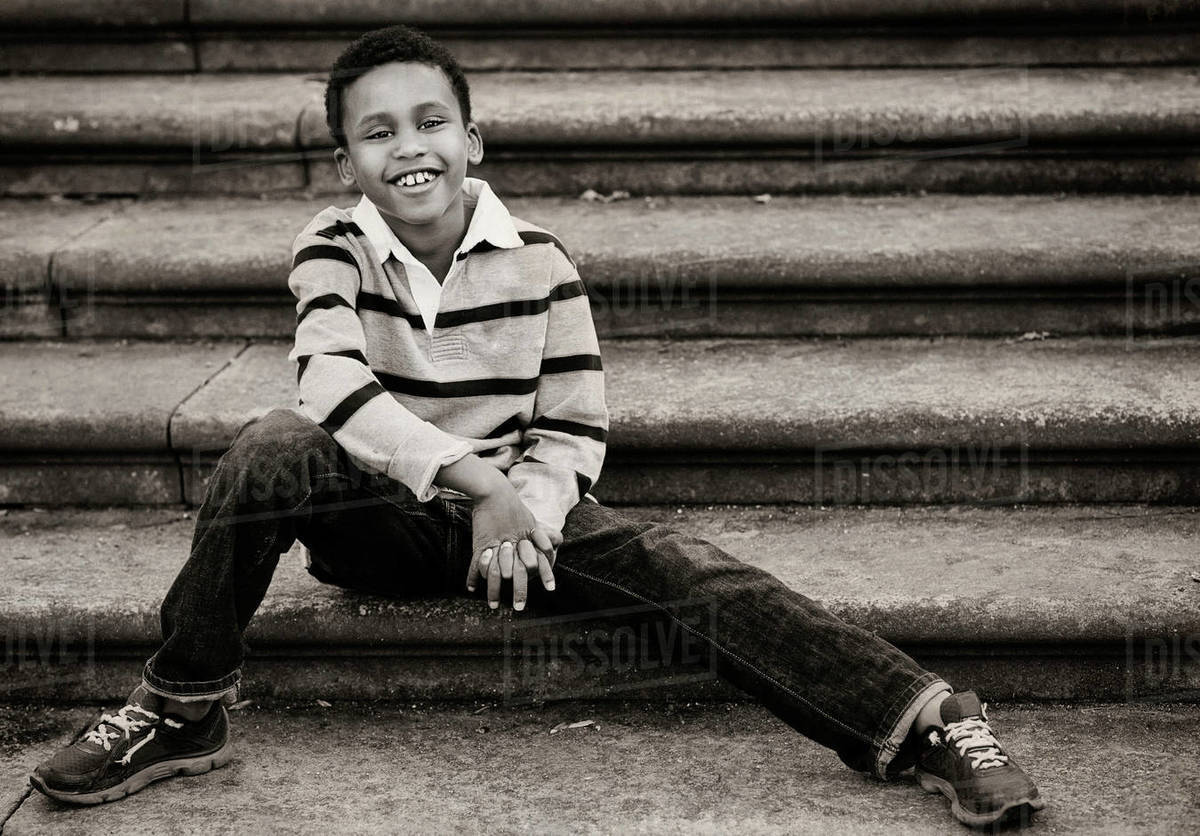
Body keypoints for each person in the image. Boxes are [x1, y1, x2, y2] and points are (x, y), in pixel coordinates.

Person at [31, 25, 1043, 828]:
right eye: (376, 132)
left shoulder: (543, 260)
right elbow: (330, 385)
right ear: (347, 161)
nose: (407, 146)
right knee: (270, 444)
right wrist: (481, 485)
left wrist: (526, 512)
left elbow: (571, 426)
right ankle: (180, 705)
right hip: (381, 519)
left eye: (429, 122)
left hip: (523, 526)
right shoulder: (330, 247)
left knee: (686, 563)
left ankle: (929, 719)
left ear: (471, 140)